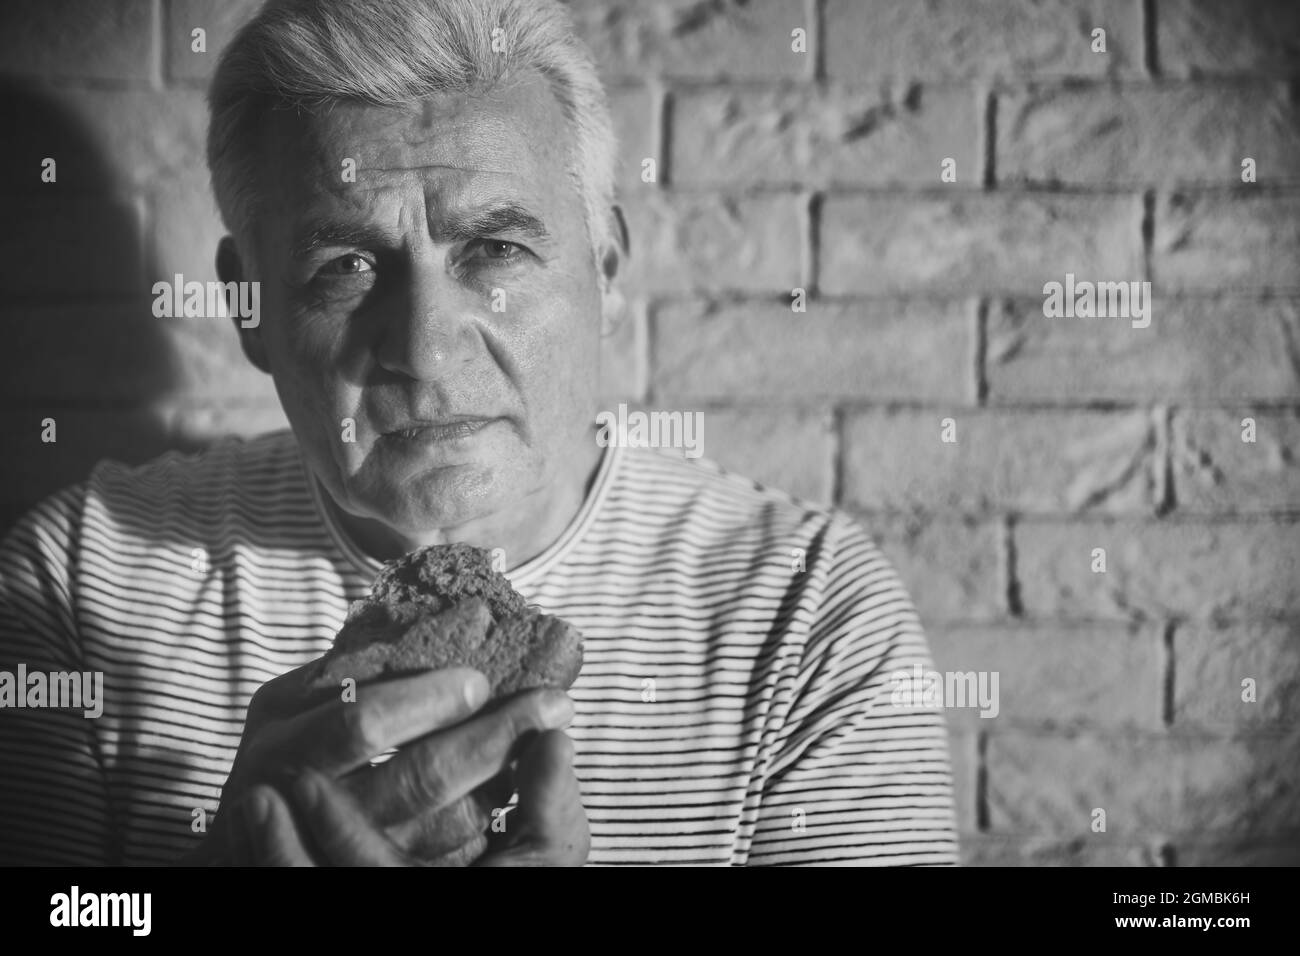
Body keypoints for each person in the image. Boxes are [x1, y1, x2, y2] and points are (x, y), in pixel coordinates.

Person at [0, 0, 957, 866]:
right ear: (248, 308)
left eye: (494, 250)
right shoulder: (79, 588)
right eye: (345, 266)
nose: (424, 351)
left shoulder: (805, 619)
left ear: (608, 269)